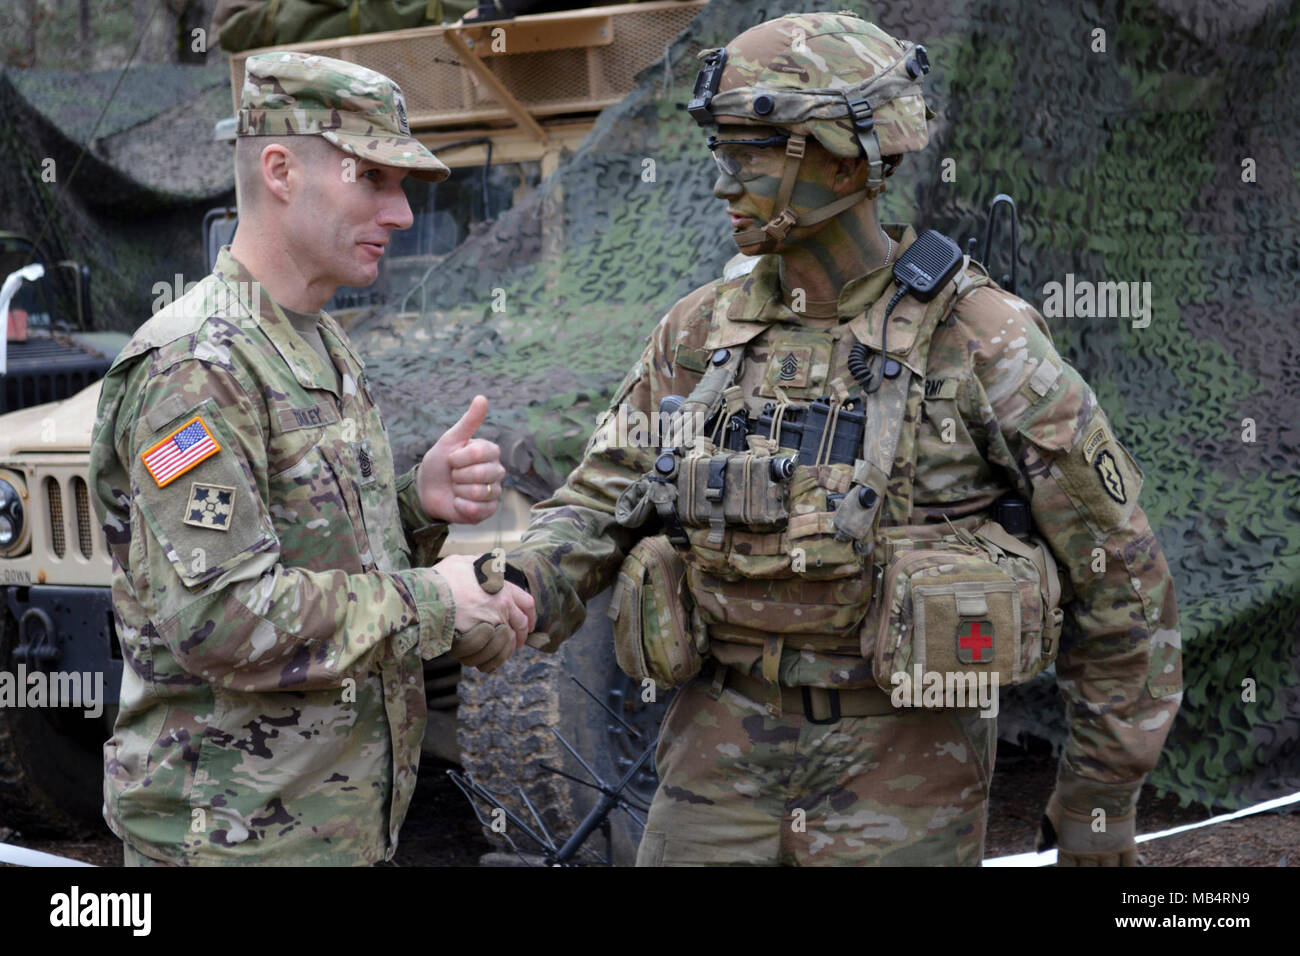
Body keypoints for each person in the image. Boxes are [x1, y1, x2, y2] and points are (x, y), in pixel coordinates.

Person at [504, 12, 1182, 865]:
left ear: (843, 156)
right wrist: (520, 580)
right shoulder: (699, 332)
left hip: (904, 769)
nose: (723, 182)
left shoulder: (980, 339)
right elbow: (603, 495)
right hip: (715, 749)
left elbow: (1120, 576)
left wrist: (1097, 799)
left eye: (750, 150)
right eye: (722, 150)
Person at [89, 51, 535, 866]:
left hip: (328, 828)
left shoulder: (318, 339)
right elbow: (222, 622)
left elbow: (310, 556)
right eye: (373, 178)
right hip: (229, 840)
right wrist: (436, 599)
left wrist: (412, 506)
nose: (401, 213)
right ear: (281, 169)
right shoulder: (198, 366)